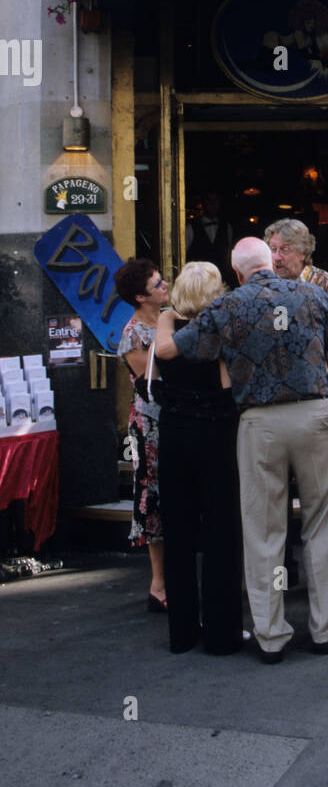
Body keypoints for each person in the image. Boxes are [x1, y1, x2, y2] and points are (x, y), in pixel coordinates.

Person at [155, 237, 328, 663]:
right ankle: (323, 629)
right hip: (314, 415)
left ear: (238, 272)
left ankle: (272, 634)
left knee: (264, 533)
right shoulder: (317, 295)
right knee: (320, 527)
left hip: (259, 422)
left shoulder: (226, 307)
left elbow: (172, 350)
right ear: (269, 262)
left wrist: (168, 316)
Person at [154, 262, 243, 656]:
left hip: (175, 438)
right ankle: (222, 634)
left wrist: (167, 317)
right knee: (222, 533)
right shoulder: (220, 332)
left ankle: (182, 632)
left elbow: (155, 378)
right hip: (217, 437)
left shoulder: (167, 332)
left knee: (179, 534)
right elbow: (227, 390)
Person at [114, 259, 170, 611]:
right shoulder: (133, 334)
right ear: (139, 296)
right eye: (157, 284)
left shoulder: (170, 318)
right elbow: (153, 381)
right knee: (153, 496)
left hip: (178, 418)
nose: (165, 286)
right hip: (150, 425)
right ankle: (158, 585)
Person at [264, 218, 328, 349]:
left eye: (285, 250)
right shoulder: (266, 284)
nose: (276, 257)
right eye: (273, 249)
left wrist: (305, 335)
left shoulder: (323, 282)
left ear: (303, 253)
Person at [186, 192, 234, 285]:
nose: (213, 204)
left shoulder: (227, 227)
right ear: (203, 203)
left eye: (216, 200)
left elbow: (228, 255)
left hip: (222, 281)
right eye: (209, 200)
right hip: (199, 283)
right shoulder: (191, 228)